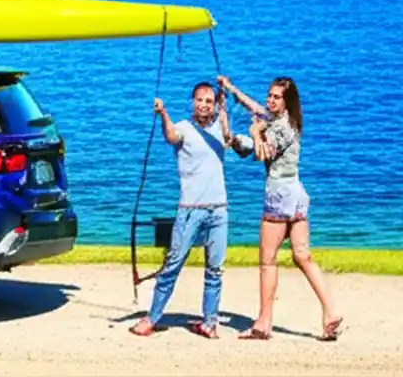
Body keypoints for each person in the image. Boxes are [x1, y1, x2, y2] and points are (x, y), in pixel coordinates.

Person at [218, 74, 344, 341]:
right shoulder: (285, 122)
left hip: (279, 196)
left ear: (287, 102)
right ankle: (331, 312)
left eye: (276, 97)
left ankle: (263, 323)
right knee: (302, 256)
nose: (270, 101)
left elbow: (263, 153)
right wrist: (231, 89)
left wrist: (254, 133)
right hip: (296, 195)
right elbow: (254, 108)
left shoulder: (281, 128)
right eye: (270, 95)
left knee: (267, 261)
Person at [129, 82, 251, 339]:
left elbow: (232, 139)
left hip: (219, 210)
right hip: (190, 210)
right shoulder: (184, 127)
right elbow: (171, 136)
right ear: (193, 102)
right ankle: (152, 318)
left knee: (215, 269)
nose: (204, 105)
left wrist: (225, 104)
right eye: (200, 100)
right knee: (173, 264)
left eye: (209, 101)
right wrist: (163, 113)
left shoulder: (219, 128)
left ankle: (210, 322)